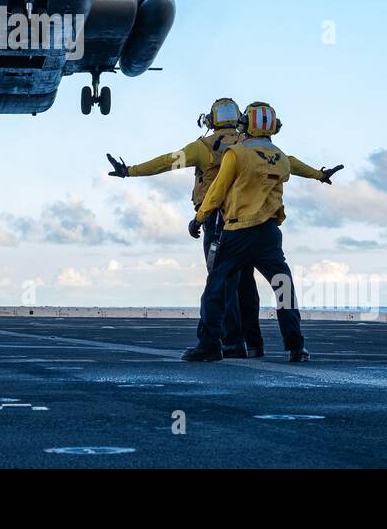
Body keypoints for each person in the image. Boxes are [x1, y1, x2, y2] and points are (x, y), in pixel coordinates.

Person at [183, 101, 343, 363]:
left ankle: (209, 346)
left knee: (216, 290)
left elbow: (216, 192)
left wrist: (199, 219)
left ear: (245, 124)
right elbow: (295, 165)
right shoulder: (280, 158)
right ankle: (295, 347)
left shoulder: (235, 154)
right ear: (274, 127)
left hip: (237, 233)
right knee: (284, 288)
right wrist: (319, 175)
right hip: (269, 235)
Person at [106, 97, 266, 358]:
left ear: (211, 120)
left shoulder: (203, 147)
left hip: (216, 221)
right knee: (245, 283)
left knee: (220, 283)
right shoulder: (247, 145)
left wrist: (129, 171)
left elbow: (167, 162)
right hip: (249, 221)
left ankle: (232, 343)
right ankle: (255, 342)